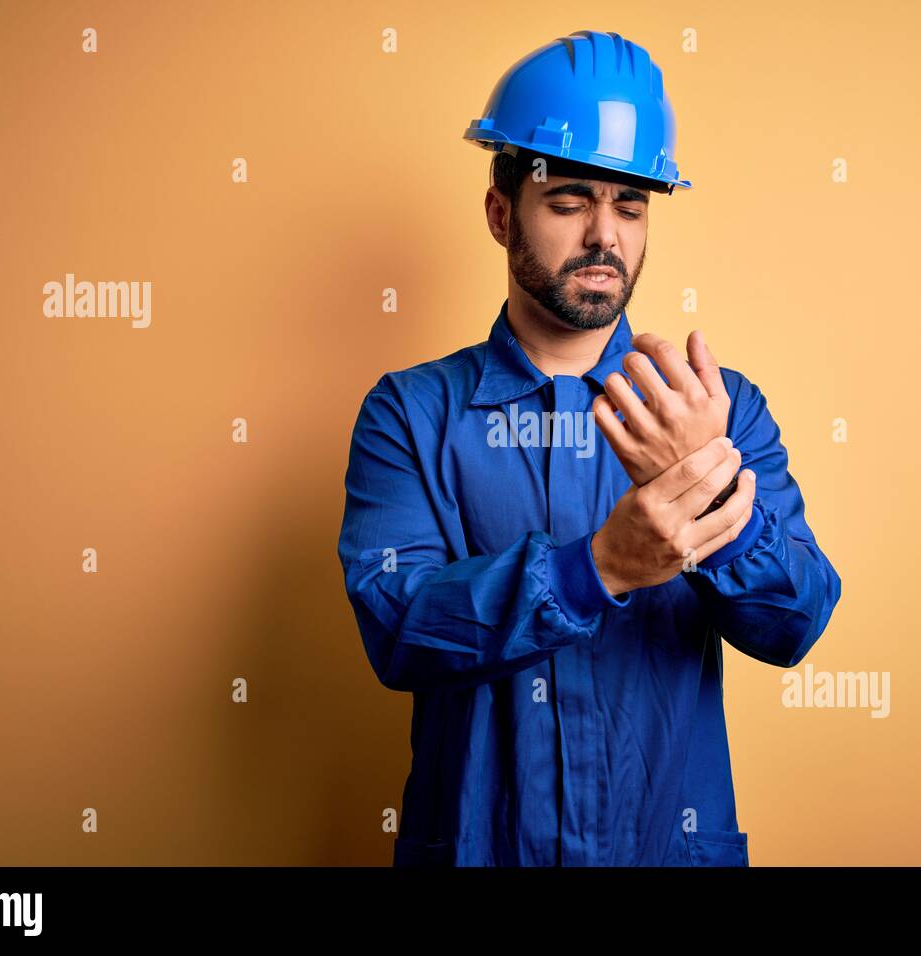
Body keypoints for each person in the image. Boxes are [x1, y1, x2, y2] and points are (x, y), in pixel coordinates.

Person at [337, 30, 842, 866]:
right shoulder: (410, 415)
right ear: (503, 213)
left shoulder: (719, 412)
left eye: (630, 205)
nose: (605, 235)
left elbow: (796, 624)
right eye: (570, 200)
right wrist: (597, 567)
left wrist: (706, 495)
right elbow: (399, 630)